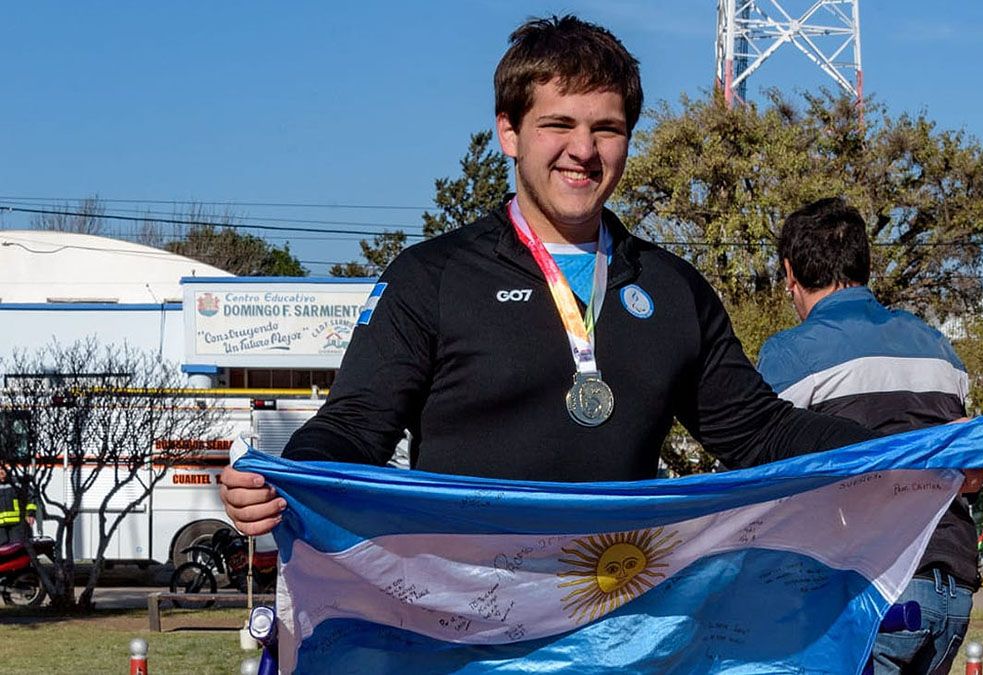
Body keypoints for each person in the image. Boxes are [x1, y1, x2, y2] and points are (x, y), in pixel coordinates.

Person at [221, 15, 883, 534]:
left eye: (608, 129)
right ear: (508, 131)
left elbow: (762, 432)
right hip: (460, 631)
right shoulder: (433, 276)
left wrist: (906, 452)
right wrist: (283, 479)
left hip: (615, 630)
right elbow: (356, 425)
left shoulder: (673, 289)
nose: (584, 151)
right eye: (557, 124)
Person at [756, 197, 983, 675]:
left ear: (789, 273)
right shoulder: (937, 346)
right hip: (952, 587)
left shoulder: (788, 355)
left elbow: (764, 477)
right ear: (865, 265)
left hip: (870, 588)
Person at [0, 467, 36, 546]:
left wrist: (30, 514)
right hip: (1, 528)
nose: (1, 473)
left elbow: (30, 497)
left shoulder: (17, 482)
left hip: (17, 524)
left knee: (18, 547)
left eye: (2, 469)